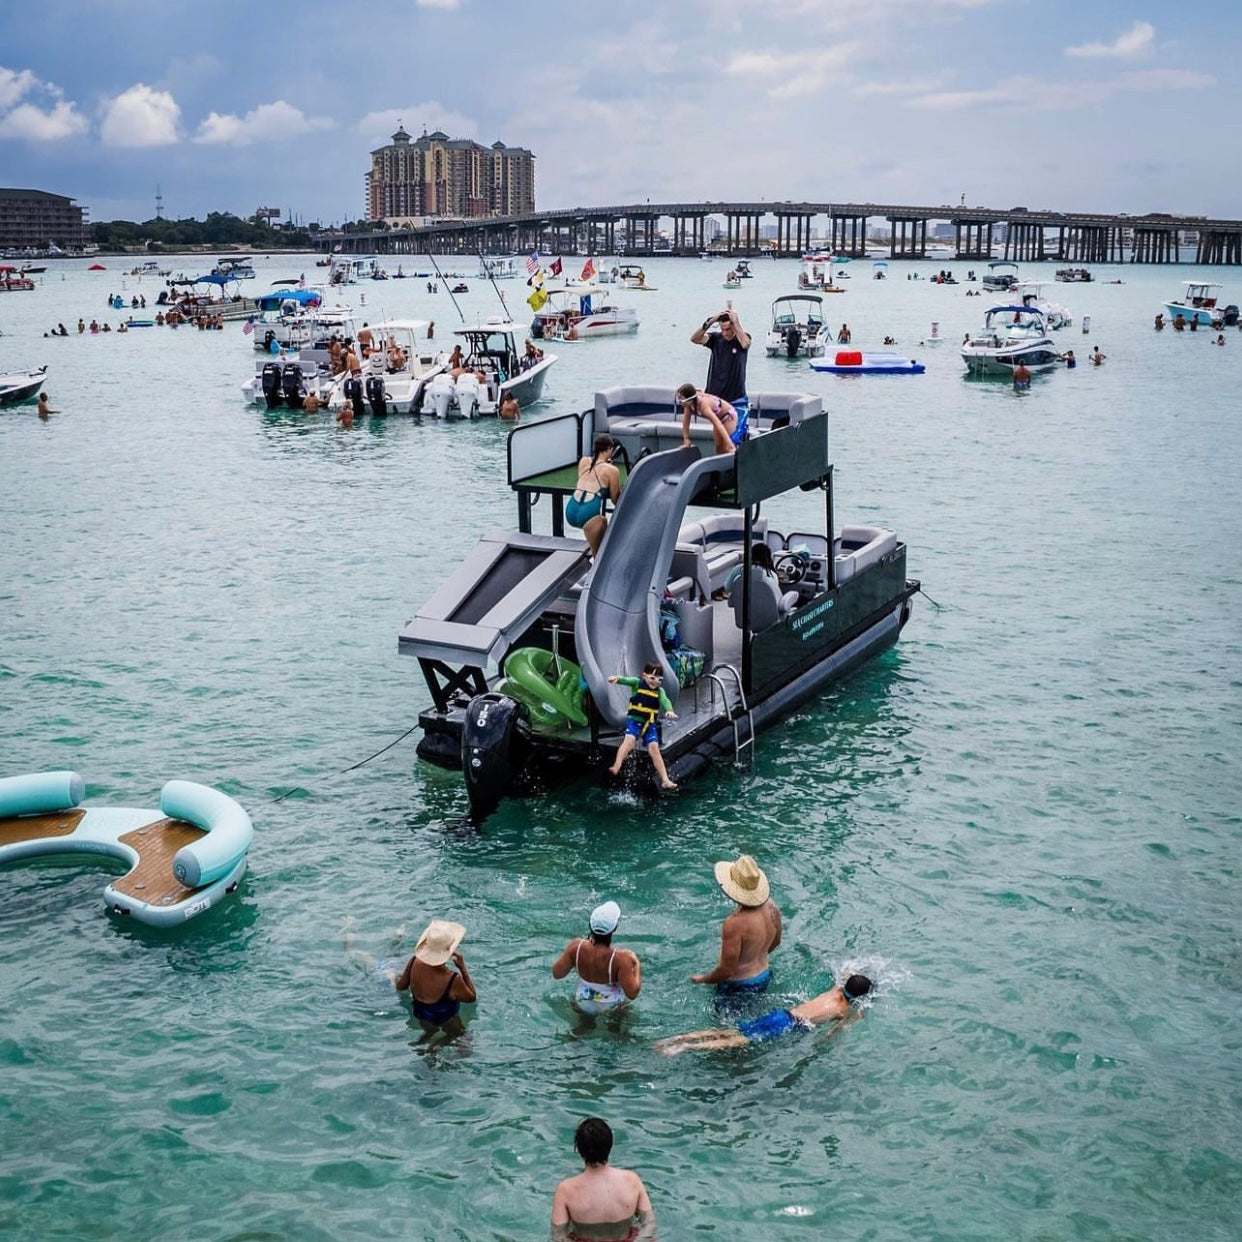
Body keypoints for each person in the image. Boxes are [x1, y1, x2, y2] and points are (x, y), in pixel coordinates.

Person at [654, 974, 873, 1056]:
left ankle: (677, 1039)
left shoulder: (834, 990)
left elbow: (845, 976)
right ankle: (683, 1048)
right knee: (736, 1041)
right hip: (788, 1025)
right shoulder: (843, 1009)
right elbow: (835, 1031)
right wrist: (857, 1017)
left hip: (783, 1014)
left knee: (730, 1032)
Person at [550, 1117, 655, 1242]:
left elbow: (559, 1236)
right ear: (610, 1144)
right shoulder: (632, 1180)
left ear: (579, 1149)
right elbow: (649, 1225)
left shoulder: (565, 1190)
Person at [692, 854, 782, 994]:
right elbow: (776, 943)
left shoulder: (734, 923)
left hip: (738, 987)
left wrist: (703, 979)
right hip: (765, 976)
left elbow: (726, 970)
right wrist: (752, 956)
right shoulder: (772, 906)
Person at [551, 901, 642, 1015]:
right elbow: (632, 994)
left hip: (583, 1001)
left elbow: (557, 974)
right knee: (617, 1030)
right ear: (615, 928)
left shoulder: (576, 947)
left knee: (581, 1029)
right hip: (611, 1006)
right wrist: (637, 964)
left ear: (590, 926)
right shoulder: (621, 958)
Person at [395, 919, 476, 1036]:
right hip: (447, 1018)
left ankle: (428, 1040)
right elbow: (471, 998)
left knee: (430, 1033)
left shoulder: (414, 961)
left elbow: (401, 987)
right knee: (461, 1038)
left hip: (420, 1014)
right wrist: (463, 968)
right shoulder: (453, 979)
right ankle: (440, 1043)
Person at [607, 662, 678, 790]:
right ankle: (617, 765)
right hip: (634, 721)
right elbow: (626, 680)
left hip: (649, 724)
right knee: (629, 741)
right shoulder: (637, 682)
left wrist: (669, 710)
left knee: (654, 750)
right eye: (652, 678)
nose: (655, 682)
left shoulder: (659, 691)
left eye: (659, 680)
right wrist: (617, 679)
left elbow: (665, 700)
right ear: (644, 675)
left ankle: (665, 780)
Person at [690, 306, 750, 427]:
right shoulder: (715, 339)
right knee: (719, 434)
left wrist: (736, 322)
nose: (725, 333)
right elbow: (695, 339)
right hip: (715, 397)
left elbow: (746, 344)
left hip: (736, 397)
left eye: (728, 329)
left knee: (735, 435)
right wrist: (711, 321)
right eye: (723, 329)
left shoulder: (741, 339)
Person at [566, 434, 622, 556]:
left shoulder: (583, 461)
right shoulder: (612, 471)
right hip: (588, 514)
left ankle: (594, 550)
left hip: (571, 509)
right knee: (599, 552)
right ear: (609, 449)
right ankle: (597, 558)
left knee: (602, 521)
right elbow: (615, 499)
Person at [676, 382, 742, 457]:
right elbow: (686, 421)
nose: (680, 402)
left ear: (689, 399)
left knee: (726, 447)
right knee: (718, 447)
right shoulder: (688, 405)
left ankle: (733, 459)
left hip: (728, 416)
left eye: (681, 399)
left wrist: (730, 444)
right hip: (718, 419)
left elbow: (718, 424)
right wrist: (686, 439)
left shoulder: (704, 406)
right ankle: (720, 465)